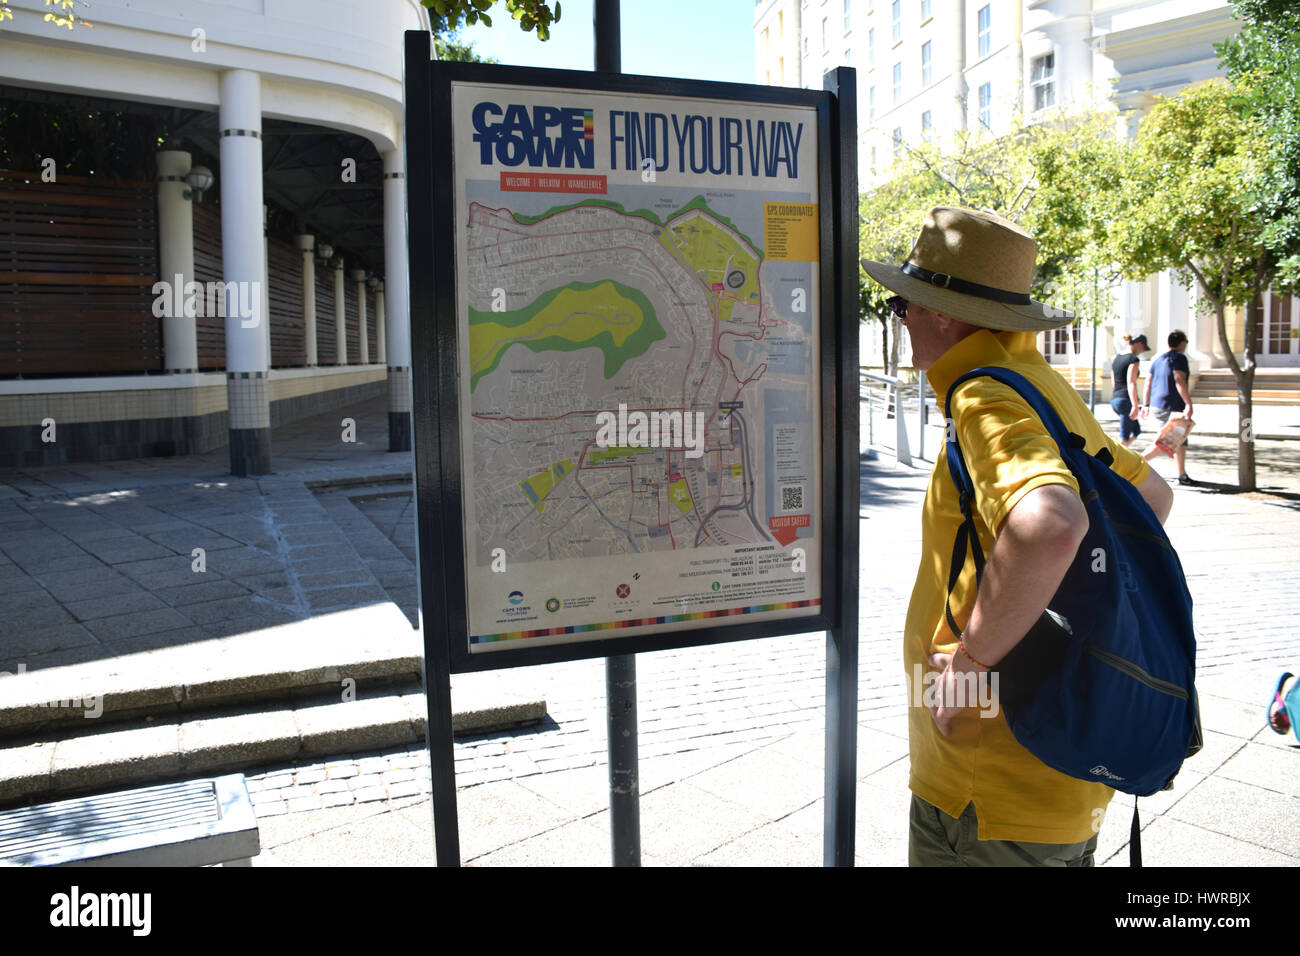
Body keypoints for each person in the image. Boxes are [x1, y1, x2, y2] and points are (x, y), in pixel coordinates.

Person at [861, 207, 1174, 867]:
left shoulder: (984, 398)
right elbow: (1152, 496)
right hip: (1057, 758)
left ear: (942, 312)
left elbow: (1051, 525)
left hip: (987, 786)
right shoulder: (1044, 387)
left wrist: (969, 666)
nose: (901, 318)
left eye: (902, 304)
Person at [1142, 330, 1196, 485]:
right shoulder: (1178, 358)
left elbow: (1148, 382)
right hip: (1171, 405)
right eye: (1186, 341)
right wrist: (1188, 403)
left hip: (1158, 404)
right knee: (1166, 441)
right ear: (1182, 342)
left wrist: (1145, 404)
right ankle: (1136, 463)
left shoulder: (1159, 359)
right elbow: (1179, 379)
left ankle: (1182, 474)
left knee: (1180, 439)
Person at [1110, 334, 1148, 447]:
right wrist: (1135, 404)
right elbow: (1131, 382)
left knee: (1136, 430)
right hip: (1125, 400)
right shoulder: (1133, 359)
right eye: (1144, 348)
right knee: (1124, 437)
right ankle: (1117, 460)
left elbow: (1114, 382)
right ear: (1139, 344)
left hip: (1115, 399)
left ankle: (1124, 453)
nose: (1142, 351)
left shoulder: (1117, 358)